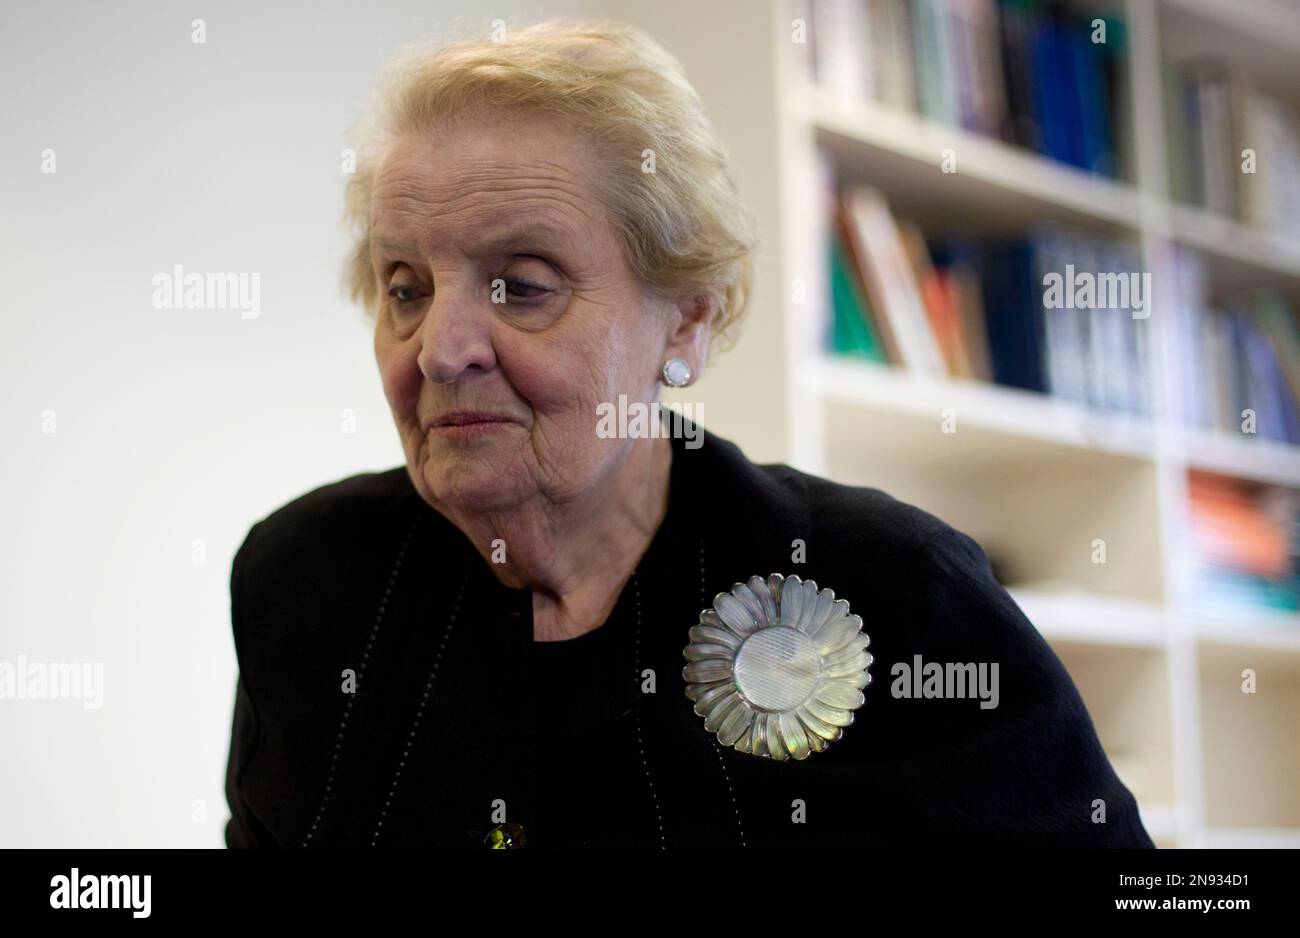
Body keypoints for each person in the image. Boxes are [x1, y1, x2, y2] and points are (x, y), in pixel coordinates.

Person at [223, 19, 1154, 848]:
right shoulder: (308, 580)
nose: (440, 350)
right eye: (405, 289)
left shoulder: (901, 593)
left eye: (523, 283)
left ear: (686, 323)